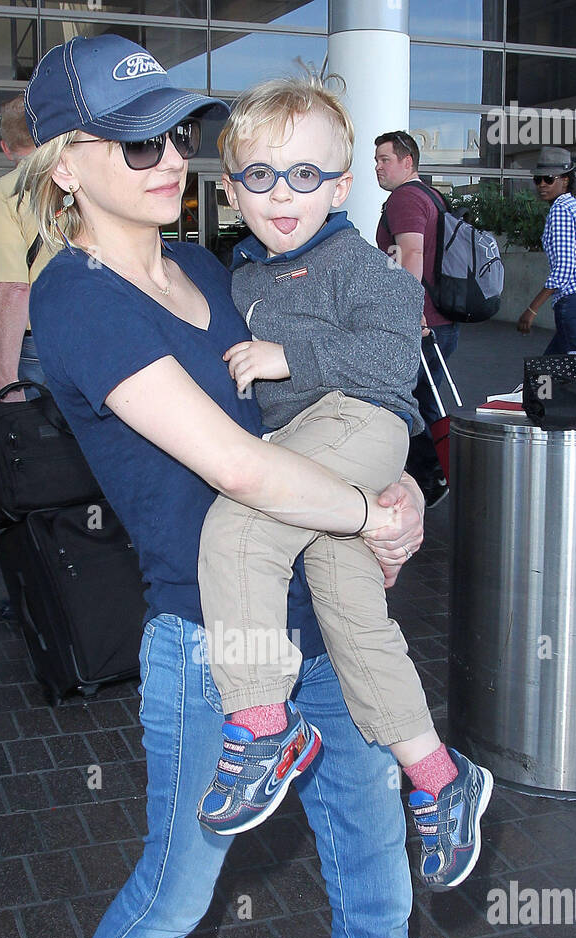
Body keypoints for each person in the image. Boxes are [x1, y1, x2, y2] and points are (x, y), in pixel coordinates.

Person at [17, 33, 497, 938]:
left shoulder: (211, 265)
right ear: (66, 166)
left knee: (378, 907)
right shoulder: (77, 300)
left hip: (326, 631)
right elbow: (234, 465)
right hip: (211, 650)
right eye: (138, 143)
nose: (170, 158)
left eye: (179, 135)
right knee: (174, 902)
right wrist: (382, 511)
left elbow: (342, 400)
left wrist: (388, 497)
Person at [195, 75, 492, 894]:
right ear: (229, 189)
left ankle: (260, 723)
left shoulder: (354, 262)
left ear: (341, 184)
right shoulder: (245, 275)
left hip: (358, 421)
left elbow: (398, 356)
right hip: (306, 441)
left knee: (240, 527)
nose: (281, 195)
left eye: (305, 175)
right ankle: (437, 775)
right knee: (354, 614)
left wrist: (292, 359)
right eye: (259, 176)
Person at [375, 129, 456, 508]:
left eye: (385, 159)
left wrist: (406, 315)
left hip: (421, 321)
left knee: (413, 403)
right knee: (429, 398)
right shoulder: (432, 196)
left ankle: (431, 476)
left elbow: (412, 256)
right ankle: (444, 470)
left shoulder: (405, 198)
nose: (378, 167)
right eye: (376, 160)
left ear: (408, 162)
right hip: (441, 317)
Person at [0, 95, 55, 402]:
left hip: (41, 342)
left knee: (40, 439)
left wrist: (7, 379)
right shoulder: (82, 181)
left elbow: (14, 289)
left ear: (6, 149)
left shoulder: (6, 193)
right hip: (98, 332)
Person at [516, 146, 576, 354]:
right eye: (537, 179)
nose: (542, 184)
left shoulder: (560, 210)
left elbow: (562, 270)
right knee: (551, 368)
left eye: (549, 179)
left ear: (565, 180)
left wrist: (532, 309)